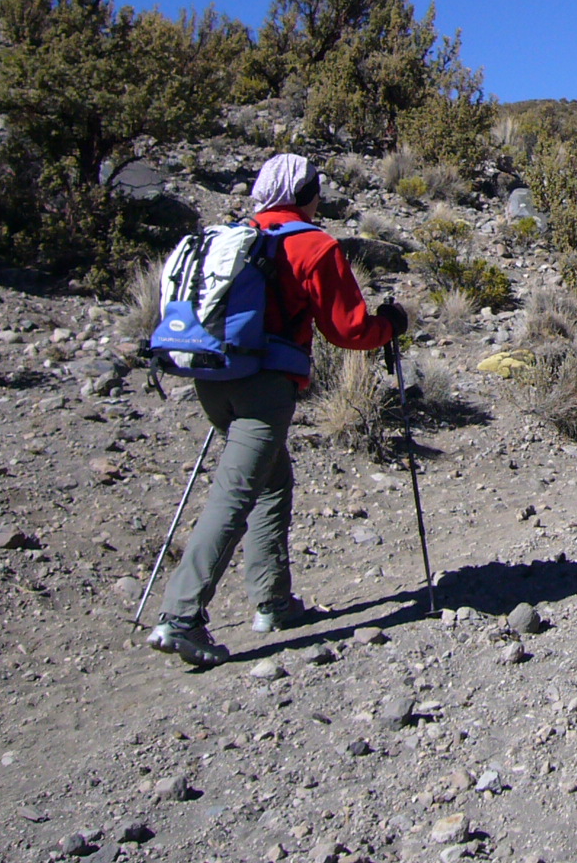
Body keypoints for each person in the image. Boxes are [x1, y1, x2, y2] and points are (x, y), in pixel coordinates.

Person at [147, 153, 406, 667]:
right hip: (264, 389)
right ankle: (181, 617)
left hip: (211, 378)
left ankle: (274, 601)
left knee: (271, 479)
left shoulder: (237, 236)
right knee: (236, 492)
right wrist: (392, 326)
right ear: (308, 194)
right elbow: (349, 330)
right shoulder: (314, 243)